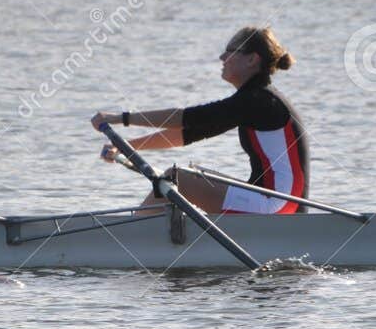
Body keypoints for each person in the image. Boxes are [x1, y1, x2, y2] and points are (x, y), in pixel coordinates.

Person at [92, 26, 307, 214]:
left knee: (179, 179)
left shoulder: (259, 101)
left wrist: (121, 118)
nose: (222, 58)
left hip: (279, 206)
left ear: (252, 59)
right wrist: (126, 148)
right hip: (276, 202)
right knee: (192, 176)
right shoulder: (255, 100)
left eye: (230, 52)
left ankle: (136, 237)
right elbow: (188, 133)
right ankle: (150, 233)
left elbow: (184, 118)